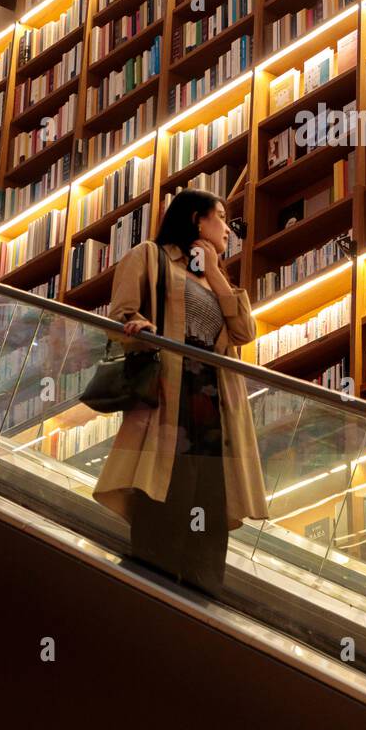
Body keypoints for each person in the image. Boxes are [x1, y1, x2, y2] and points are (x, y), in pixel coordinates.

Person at [93, 189, 269, 595]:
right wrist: (144, 329)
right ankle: (151, 599)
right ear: (196, 220)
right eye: (221, 217)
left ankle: (202, 604)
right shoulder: (150, 257)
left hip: (215, 406)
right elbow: (119, 315)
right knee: (165, 501)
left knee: (209, 507)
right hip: (169, 398)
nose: (228, 228)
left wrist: (216, 272)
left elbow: (245, 332)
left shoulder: (216, 278)